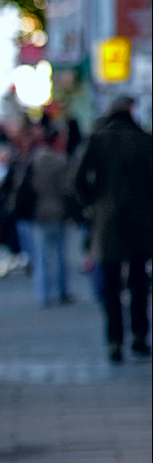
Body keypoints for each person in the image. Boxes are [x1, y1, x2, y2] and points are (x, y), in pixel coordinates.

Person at [74, 96, 152, 362]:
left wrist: (92, 203)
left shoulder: (98, 140)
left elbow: (78, 179)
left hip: (108, 221)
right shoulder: (145, 140)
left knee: (110, 284)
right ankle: (140, 335)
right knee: (139, 281)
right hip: (142, 221)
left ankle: (114, 340)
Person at [17, 126, 73, 307]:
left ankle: (43, 294)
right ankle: (61, 291)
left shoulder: (34, 161)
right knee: (59, 254)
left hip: (39, 212)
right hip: (58, 212)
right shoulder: (61, 161)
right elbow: (67, 188)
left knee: (41, 255)